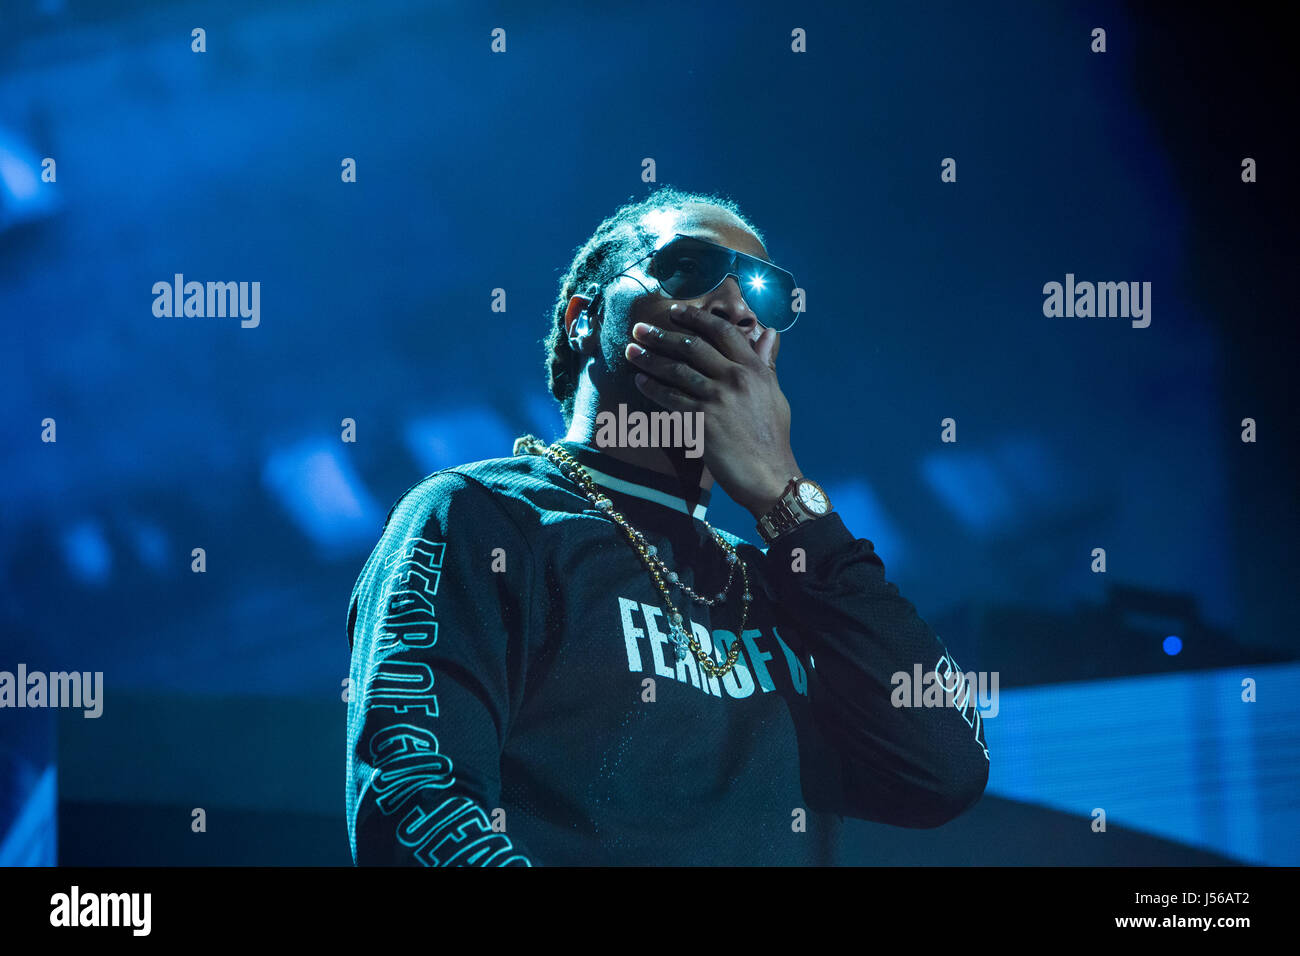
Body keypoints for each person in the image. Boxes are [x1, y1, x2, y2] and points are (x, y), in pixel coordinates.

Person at [344, 186, 989, 865]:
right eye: (688, 267)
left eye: (764, 295)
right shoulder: (481, 517)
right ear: (582, 320)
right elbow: (416, 800)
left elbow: (942, 773)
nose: (737, 306)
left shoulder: (785, 582)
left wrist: (787, 499)